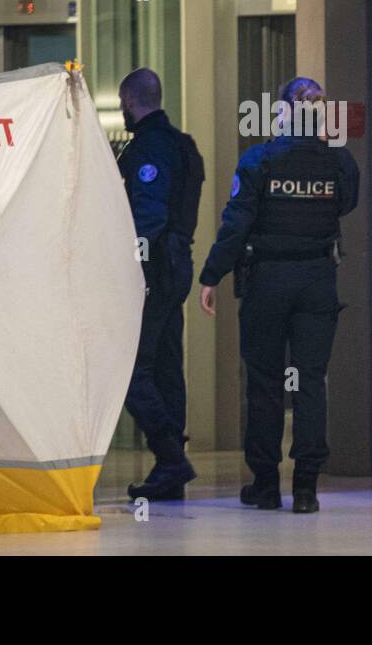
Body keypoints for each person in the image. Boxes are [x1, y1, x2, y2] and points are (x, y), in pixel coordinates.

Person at [198, 77, 359, 513]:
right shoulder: (339, 163)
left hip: (267, 281)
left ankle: (266, 486)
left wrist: (212, 275)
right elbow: (345, 205)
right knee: (311, 383)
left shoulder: (259, 161)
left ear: (286, 112)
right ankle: (306, 489)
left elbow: (237, 224)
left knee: (266, 385)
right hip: (317, 280)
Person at [117, 67, 205, 501]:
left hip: (153, 268)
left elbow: (147, 217)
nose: (123, 112)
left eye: (123, 105)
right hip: (179, 265)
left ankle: (170, 455)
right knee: (168, 365)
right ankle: (169, 469)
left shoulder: (147, 149)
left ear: (131, 101)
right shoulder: (185, 146)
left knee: (132, 371)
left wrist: (128, 264)